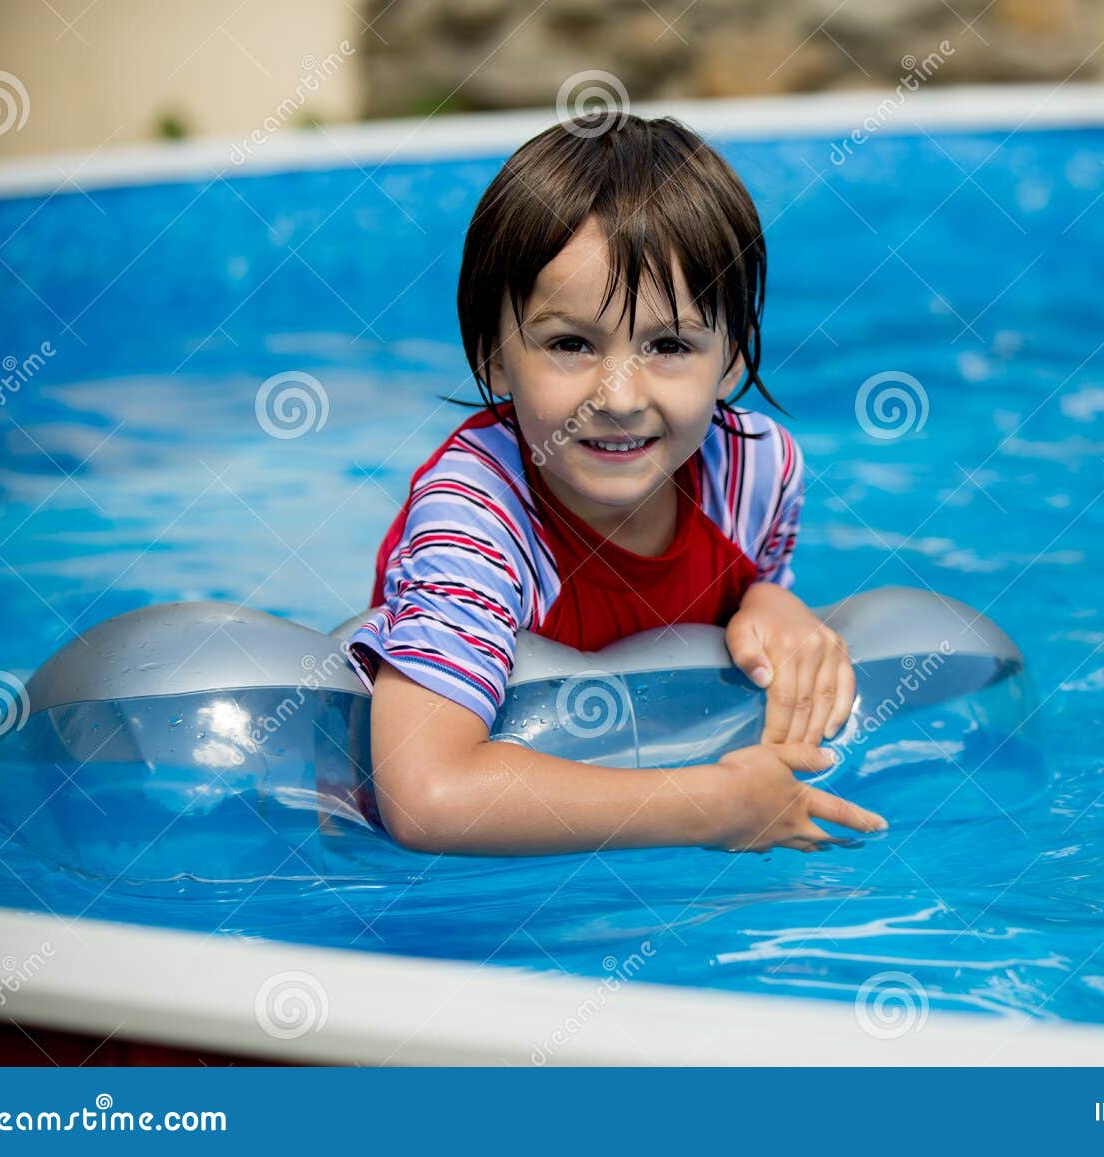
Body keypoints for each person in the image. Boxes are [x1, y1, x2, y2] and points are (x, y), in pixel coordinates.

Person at [346, 112, 886, 857]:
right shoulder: (478, 515)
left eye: (669, 345)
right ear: (494, 357)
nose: (621, 397)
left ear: (731, 361)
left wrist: (769, 598)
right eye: (570, 344)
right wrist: (713, 806)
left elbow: (751, 588)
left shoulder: (757, 473)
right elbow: (426, 797)